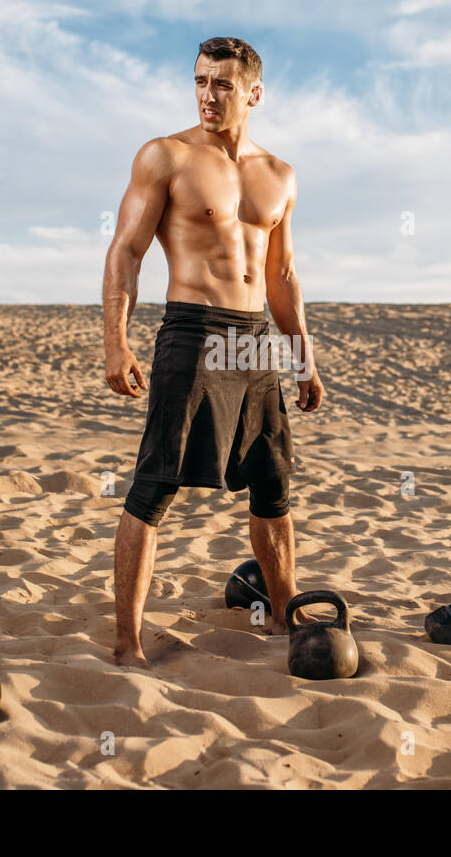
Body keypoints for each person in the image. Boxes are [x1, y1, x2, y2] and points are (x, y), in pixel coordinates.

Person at [101, 36, 325, 669]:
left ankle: (285, 616)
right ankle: (129, 641)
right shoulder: (165, 157)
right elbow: (126, 252)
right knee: (154, 486)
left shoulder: (279, 175)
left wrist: (303, 357)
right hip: (193, 331)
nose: (208, 94)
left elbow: (282, 276)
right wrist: (117, 343)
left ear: (253, 93)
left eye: (223, 84)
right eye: (201, 81)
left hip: (254, 341)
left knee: (272, 484)